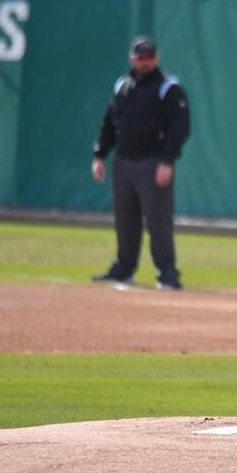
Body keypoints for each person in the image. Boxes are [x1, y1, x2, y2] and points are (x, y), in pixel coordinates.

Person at [90, 36, 190, 290]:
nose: (144, 62)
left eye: (148, 57)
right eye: (139, 57)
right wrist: (100, 154)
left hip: (153, 162)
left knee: (158, 220)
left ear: (156, 58)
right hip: (123, 162)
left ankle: (167, 272)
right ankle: (124, 268)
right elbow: (109, 123)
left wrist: (168, 160)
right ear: (131, 58)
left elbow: (180, 127)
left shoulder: (168, 87)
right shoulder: (122, 85)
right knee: (125, 218)